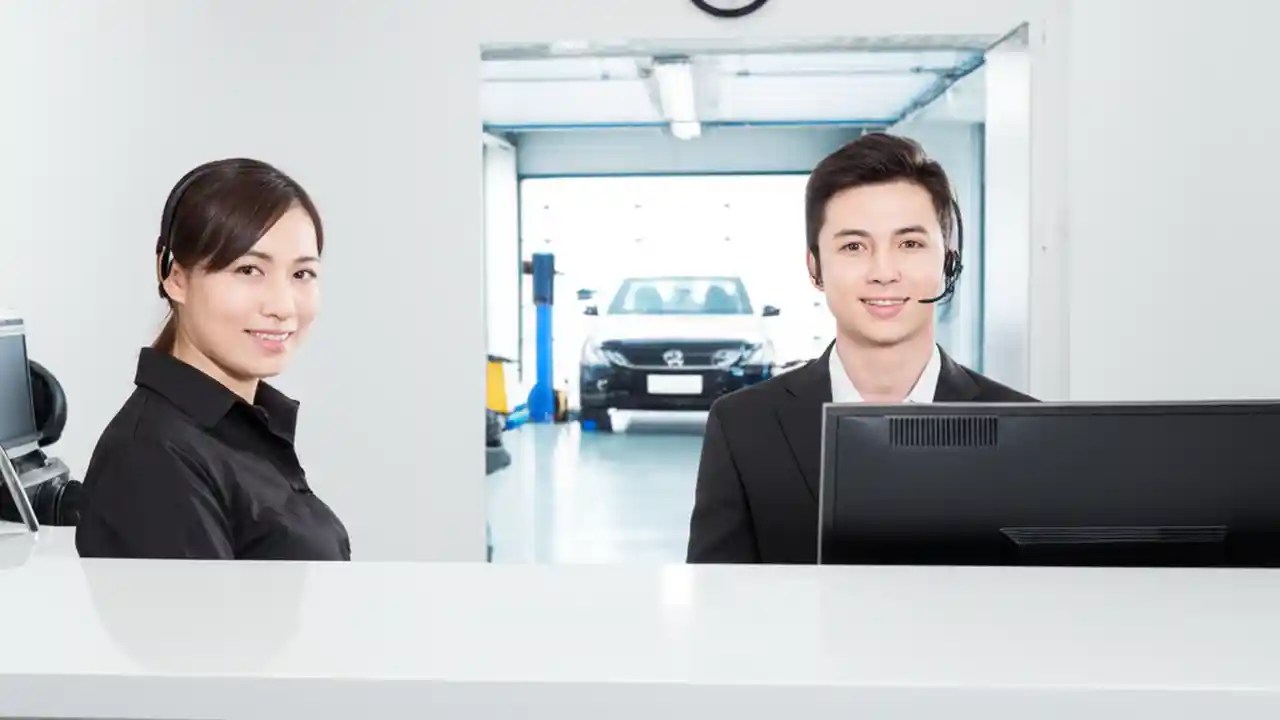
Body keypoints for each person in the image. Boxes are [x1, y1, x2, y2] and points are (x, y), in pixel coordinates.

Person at [686, 133, 1034, 564]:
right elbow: (719, 609)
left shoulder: (1025, 429)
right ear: (815, 267)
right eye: (853, 246)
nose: (883, 272)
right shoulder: (743, 425)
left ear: (948, 261)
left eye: (909, 244)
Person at [75, 158, 351, 560]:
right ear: (175, 276)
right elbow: (194, 624)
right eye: (249, 270)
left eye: (302, 274)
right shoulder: (153, 458)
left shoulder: (238, 428)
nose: (282, 306)